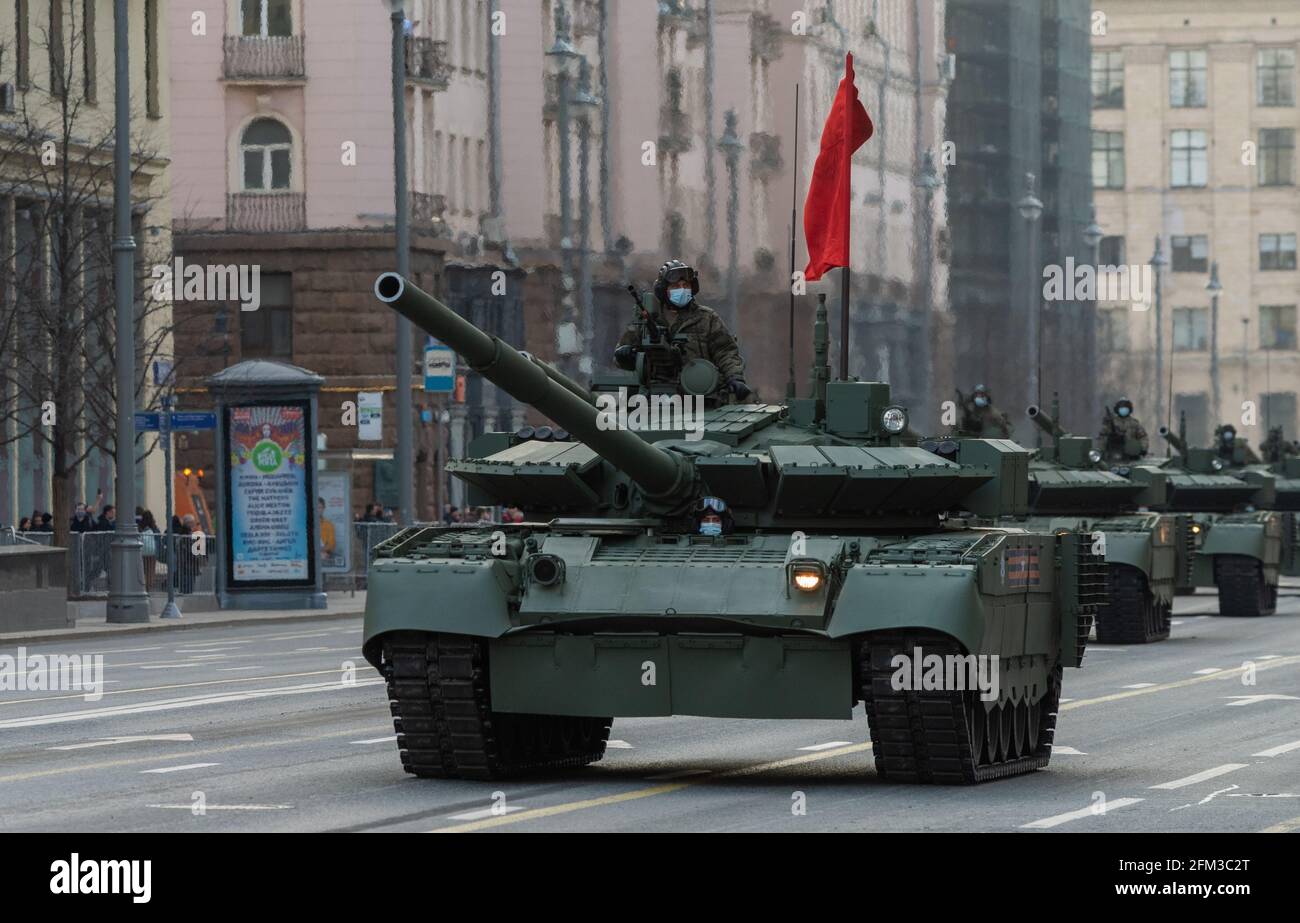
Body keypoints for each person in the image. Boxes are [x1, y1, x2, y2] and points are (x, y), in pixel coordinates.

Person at [614, 259, 750, 400]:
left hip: (701, 399)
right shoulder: (647, 320)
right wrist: (626, 355)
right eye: (675, 286)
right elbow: (621, 356)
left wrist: (735, 378)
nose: (682, 289)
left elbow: (725, 352)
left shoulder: (706, 318)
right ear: (663, 290)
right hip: (653, 399)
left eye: (685, 285)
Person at [1099, 397, 1149, 462]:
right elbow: (1103, 437)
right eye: (1121, 408)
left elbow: (1143, 437)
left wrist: (1143, 448)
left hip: (1131, 456)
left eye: (1126, 408)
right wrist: (1100, 451)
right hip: (1112, 455)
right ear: (1117, 409)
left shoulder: (1134, 423)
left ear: (1130, 409)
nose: (1124, 410)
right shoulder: (1111, 423)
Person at [138, 510, 160, 590]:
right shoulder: (154, 527)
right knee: (150, 571)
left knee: (141, 570)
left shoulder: (139, 527)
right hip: (152, 552)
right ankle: (149, 587)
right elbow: (158, 538)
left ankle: (141, 586)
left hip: (142, 552)